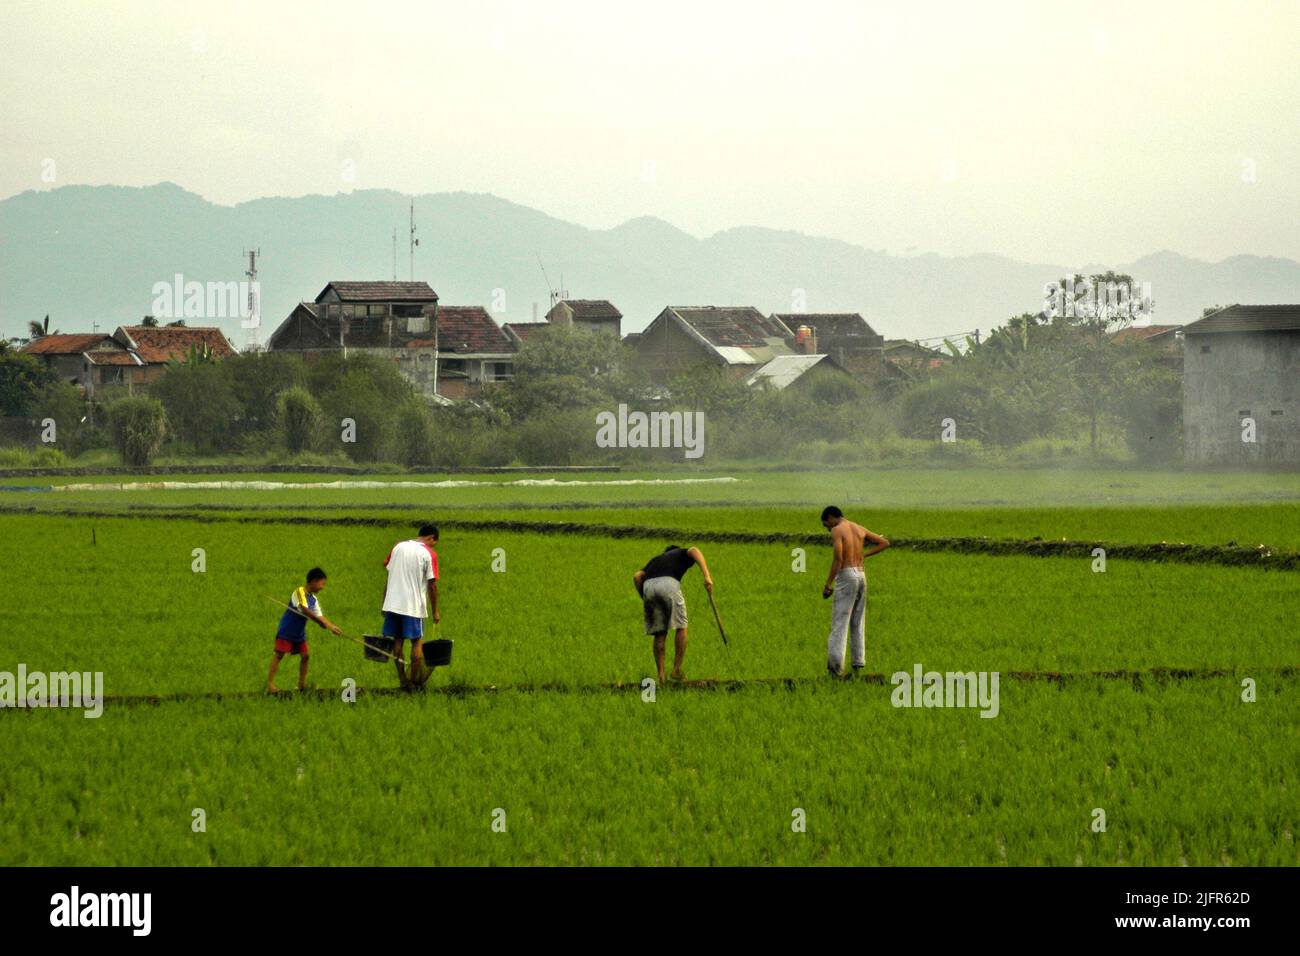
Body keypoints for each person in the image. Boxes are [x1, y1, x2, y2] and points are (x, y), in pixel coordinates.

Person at [820, 506, 889, 676]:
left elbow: (838, 559)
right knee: (858, 620)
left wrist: (828, 584)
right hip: (861, 575)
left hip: (847, 576)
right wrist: (864, 555)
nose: (828, 529)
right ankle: (858, 664)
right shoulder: (859, 528)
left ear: (831, 517)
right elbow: (884, 543)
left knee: (840, 622)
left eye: (826, 524)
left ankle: (835, 669)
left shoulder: (837, 530)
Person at [632, 544, 714, 684]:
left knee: (660, 633)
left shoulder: (655, 560)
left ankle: (661, 677)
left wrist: (646, 599)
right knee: (682, 627)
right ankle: (676, 671)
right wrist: (707, 576)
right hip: (668, 584)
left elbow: (637, 576)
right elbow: (694, 549)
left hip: (649, 586)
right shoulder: (680, 553)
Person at [382, 524, 440, 689]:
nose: (433, 546)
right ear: (431, 538)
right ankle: (413, 683)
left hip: (392, 603)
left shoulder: (398, 547)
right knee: (416, 641)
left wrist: (384, 602)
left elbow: (389, 572)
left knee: (398, 641)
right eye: (434, 543)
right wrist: (435, 610)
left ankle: (402, 679)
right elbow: (432, 586)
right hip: (413, 605)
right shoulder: (428, 553)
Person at [268, 567, 342, 694]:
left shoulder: (313, 599)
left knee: (306, 656)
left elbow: (319, 615)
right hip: (287, 629)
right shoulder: (299, 592)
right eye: (322, 583)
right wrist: (320, 623)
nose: (322, 587)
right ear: (313, 581)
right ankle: (270, 683)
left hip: (299, 633)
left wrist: (331, 626)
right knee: (279, 654)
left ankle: (301, 685)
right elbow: (305, 609)